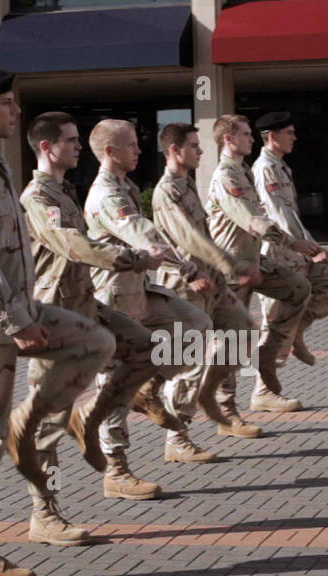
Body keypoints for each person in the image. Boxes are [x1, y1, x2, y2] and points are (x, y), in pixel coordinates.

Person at [0, 69, 115, 557]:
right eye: (8, 104)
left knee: (98, 343)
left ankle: (29, 424)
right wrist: (18, 322)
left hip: (20, 316)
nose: (16, 112)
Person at [19, 112, 175, 510]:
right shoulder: (37, 198)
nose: (76, 146)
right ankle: (45, 511)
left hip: (85, 304)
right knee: (49, 420)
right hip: (54, 315)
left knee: (145, 347)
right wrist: (135, 258)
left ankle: (90, 414)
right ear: (46, 147)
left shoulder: (65, 191)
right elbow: (74, 246)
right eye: (70, 141)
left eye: (76, 140)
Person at [84, 118, 219, 481]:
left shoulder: (124, 186)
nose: (140, 151)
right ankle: (116, 469)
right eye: (131, 145)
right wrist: (190, 270)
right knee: (114, 380)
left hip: (139, 291)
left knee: (197, 325)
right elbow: (144, 235)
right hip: (113, 298)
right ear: (110, 151)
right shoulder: (107, 196)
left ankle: (151, 385)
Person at [206, 114, 326, 415]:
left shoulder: (243, 172)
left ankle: (267, 357)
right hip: (230, 269)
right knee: (231, 340)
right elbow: (252, 219)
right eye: (245, 135)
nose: (251, 138)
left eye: (250, 134)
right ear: (228, 139)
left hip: (252, 262)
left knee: (299, 288)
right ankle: (227, 412)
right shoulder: (226, 176)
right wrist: (292, 243)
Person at [151, 122, 263, 439]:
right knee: (188, 362)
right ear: (175, 150)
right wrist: (220, 266)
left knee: (243, 333)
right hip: (185, 285)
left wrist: (222, 275)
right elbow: (185, 240)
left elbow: (202, 235)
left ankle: (215, 400)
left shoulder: (187, 185)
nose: (201, 151)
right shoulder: (167, 192)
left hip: (212, 283)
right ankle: (178, 437)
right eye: (194, 146)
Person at [251, 111, 328, 369]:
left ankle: (297, 331)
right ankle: (264, 390)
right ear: (272, 136)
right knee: (276, 319)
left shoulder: (281, 167)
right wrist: (309, 249)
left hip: (295, 252)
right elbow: (278, 215)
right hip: (277, 254)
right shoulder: (265, 169)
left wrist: (311, 246)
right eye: (289, 133)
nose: (295, 138)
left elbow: (291, 213)